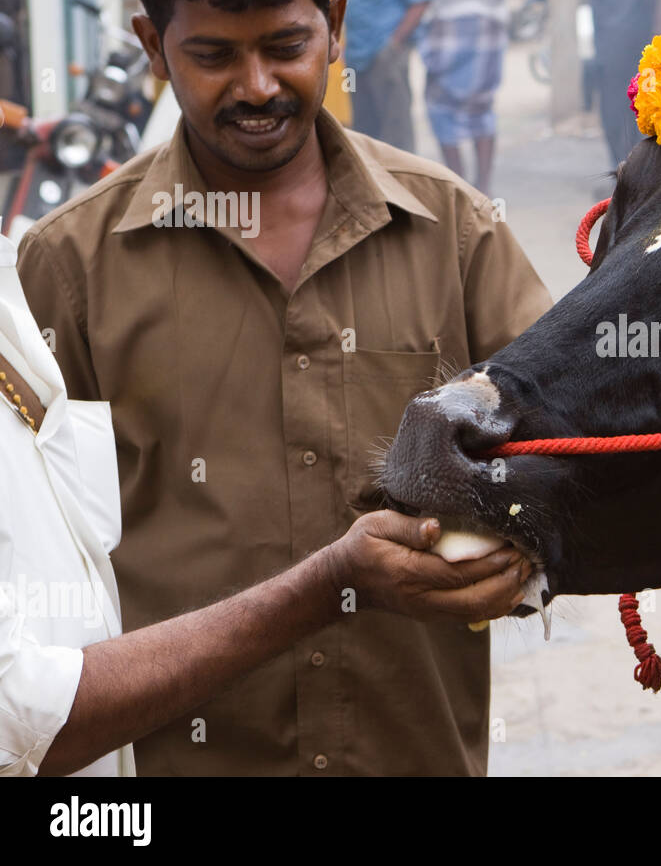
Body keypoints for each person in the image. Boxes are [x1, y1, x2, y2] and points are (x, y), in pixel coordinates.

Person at [17, 0, 553, 776]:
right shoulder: (66, 268)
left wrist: (523, 560)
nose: (259, 86)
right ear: (153, 48)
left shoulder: (456, 232)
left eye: (286, 44)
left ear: (335, 29)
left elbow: (570, 459)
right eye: (214, 55)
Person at [0, 231, 530, 777]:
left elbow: (568, 449)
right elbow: (19, 719)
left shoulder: (458, 230)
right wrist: (330, 584)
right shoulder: (70, 256)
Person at [420, 0, 512, 194]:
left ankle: (460, 190)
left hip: (460, 17)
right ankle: (482, 188)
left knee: (441, 104)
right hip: (492, 16)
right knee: (481, 105)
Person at [344, 0, 432, 150]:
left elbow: (420, 0)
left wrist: (393, 45)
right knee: (363, 135)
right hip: (356, 54)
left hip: (386, 54)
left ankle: (399, 187)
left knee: (396, 134)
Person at [584, 0, 656, 170]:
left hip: (623, 42)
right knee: (611, 108)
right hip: (608, 40)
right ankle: (620, 169)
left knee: (622, 108)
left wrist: (633, 38)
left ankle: (630, 172)